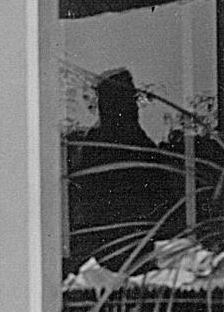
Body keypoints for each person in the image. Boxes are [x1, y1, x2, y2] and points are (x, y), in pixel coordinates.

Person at [65, 67, 177, 270]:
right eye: (128, 99)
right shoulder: (102, 143)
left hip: (135, 243)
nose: (133, 106)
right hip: (110, 245)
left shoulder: (136, 141)